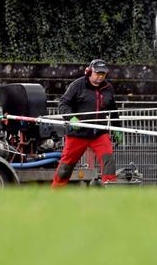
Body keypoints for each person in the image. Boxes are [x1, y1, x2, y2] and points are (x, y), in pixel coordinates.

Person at [51, 59, 120, 188]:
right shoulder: (77, 85)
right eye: (97, 73)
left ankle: (110, 188)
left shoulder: (108, 88)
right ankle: (56, 190)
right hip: (78, 134)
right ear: (89, 72)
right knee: (66, 166)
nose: (100, 77)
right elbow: (63, 103)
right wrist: (71, 118)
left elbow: (114, 111)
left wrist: (118, 129)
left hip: (99, 134)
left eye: (103, 74)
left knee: (108, 160)